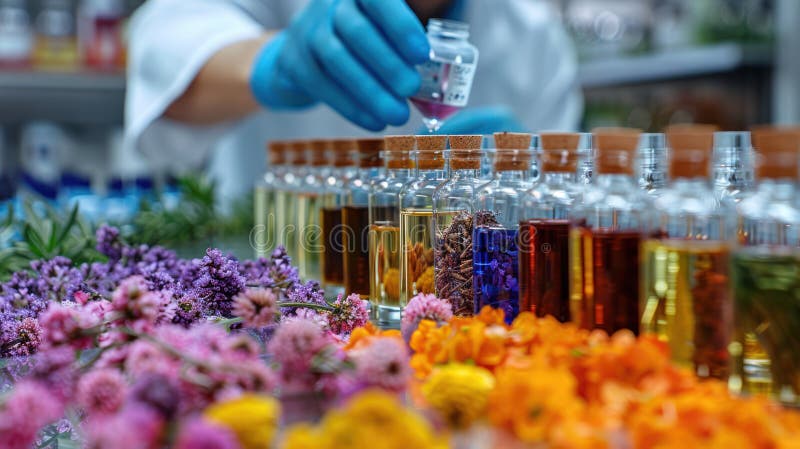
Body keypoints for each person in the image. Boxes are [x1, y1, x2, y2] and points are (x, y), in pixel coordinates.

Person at [125, 0, 583, 203]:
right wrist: (276, 65)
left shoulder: (533, 35)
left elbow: (563, 206)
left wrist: (523, 179)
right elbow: (163, 53)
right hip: (269, 294)